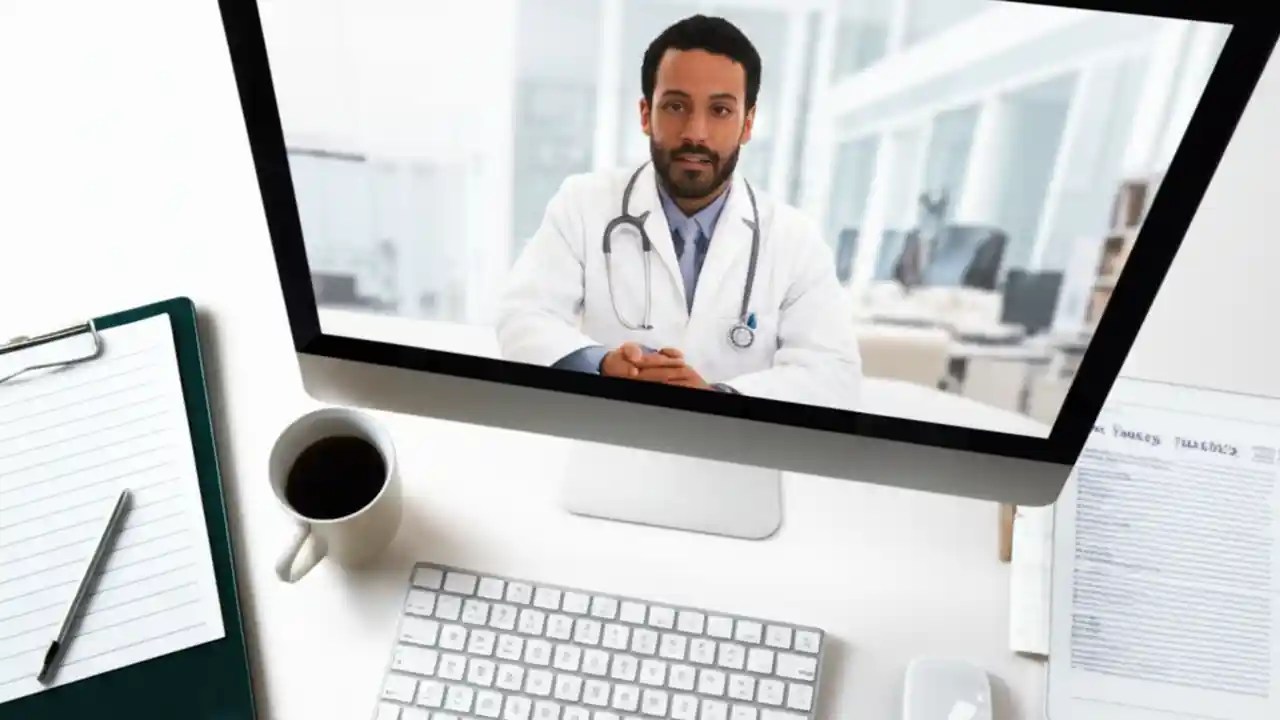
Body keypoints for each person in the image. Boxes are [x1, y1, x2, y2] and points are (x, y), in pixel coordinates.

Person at [496, 14, 861, 410]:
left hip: (730, 444)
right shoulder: (582, 203)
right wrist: (603, 366)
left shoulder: (795, 239)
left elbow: (832, 372)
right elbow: (524, 316)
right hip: (607, 431)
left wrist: (717, 399)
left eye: (720, 110)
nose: (695, 132)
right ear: (645, 114)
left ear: (748, 123)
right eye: (675, 106)